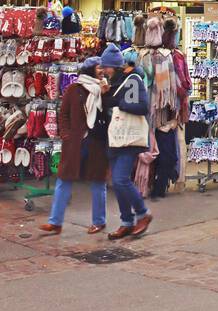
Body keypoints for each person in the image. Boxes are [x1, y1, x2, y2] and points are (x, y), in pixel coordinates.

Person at [38, 56, 109, 237]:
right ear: (89, 69)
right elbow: (64, 115)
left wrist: (105, 94)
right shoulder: (74, 89)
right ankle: (55, 222)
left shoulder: (106, 89)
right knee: (64, 180)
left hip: (96, 142)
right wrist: (66, 135)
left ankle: (99, 221)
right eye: (98, 67)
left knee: (98, 182)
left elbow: (109, 113)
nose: (102, 71)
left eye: (103, 67)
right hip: (75, 143)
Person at [103, 46, 153, 240]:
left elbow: (141, 106)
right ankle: (126, 221)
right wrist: (107, 95)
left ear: (115, 66)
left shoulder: (132, 79)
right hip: (117, 137)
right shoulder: (115, 82)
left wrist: (117, 101)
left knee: (120, 179)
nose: (104, 70)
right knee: (117, 182)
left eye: (107, 66)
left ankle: (143, 214)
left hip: (129, 137)